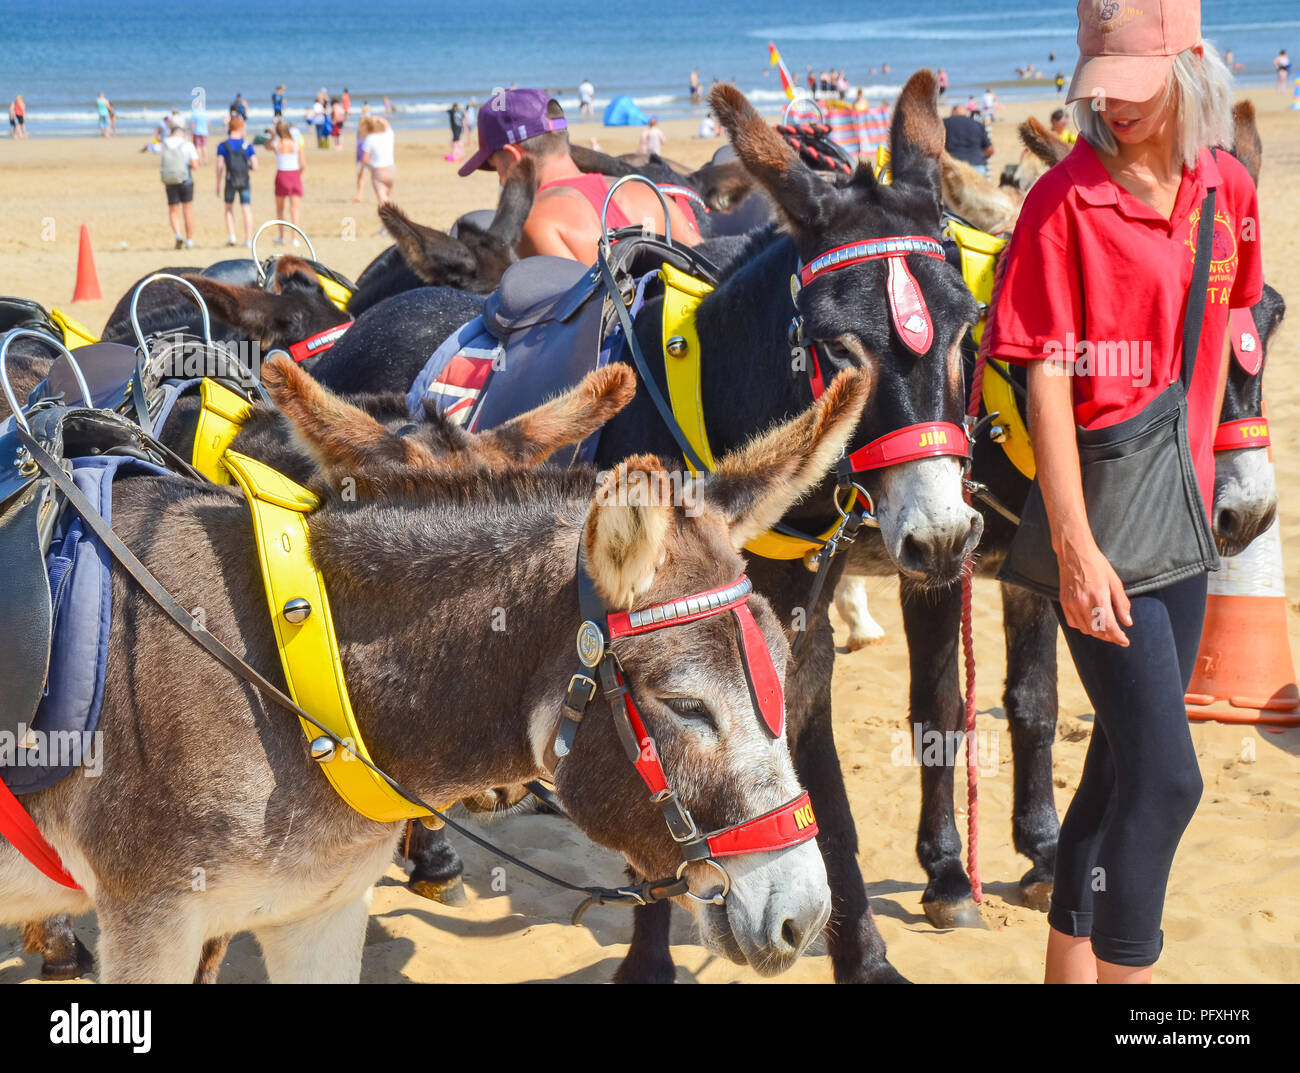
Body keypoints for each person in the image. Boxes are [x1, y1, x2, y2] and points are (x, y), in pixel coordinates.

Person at [983, 0, 1261, 985]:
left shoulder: (1225, 185)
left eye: (1134, 91)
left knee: (1111, 771)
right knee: (1166, 776)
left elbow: (1234, 319)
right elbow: (1043, 371)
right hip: (1099, 524)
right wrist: (1071, 542)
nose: (1115, 110)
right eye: (1100, 89)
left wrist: (1230, 452)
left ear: (1188, 67)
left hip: (1182, 519)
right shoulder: (1062, 198)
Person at [457, 88, 699, 263]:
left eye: (495, 166)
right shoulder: (648, 193)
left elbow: (576, 320)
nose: (500, 179)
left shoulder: (536, 223)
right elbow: (708, 263)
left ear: (513, 155)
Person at [215, 114, 257, 246]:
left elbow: (220, 166)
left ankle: (232, 236)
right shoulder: (247, 145)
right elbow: (255, 166)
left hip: (230, 180)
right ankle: (248, 239)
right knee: (246, 209)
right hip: (244, 180)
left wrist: (217, 183)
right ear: (240, 128)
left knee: (228, 208)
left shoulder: (223, 145)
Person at [159, 117, 198, 249]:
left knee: (173, 209)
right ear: (182, 131)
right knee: (187, 210)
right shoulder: (187, 144)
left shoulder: (165, 143)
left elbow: (155, 148)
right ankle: (190, 240)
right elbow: (195, 164)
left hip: (170, 179)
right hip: (186, 179)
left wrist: (156, 137)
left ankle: (178, 235)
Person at [267, 119, 305, 243]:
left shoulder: (277, 144)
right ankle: (294, 238)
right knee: (295, 209)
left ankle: (282, 236)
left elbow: (266, 146)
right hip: (294, 174)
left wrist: (272, 136)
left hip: (282, 174)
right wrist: (298, 175)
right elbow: (303, 164)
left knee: (280, 209)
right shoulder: (295, 144)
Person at [943, 104, 993, 174]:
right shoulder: (977, 124)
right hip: (976, 165)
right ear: (966, 112)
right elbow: (990, 149)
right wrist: (984, 157)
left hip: (952, 166)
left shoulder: (944, 123)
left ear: (953, 111)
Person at [360, 114, 396, 205]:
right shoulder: (389, 134)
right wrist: (378, 118)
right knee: (386, 198)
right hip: (391, 170)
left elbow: (365, 159)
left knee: (383, 202)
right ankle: (390, 217)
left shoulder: (370, 139)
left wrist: (364, 171)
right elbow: (387, 124)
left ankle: (392, 218)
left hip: (379, 171)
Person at [189, 99, 210, 164]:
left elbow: (192, 124)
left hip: (197, 131)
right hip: (204, 132)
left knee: (198, 146)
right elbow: (208, 123)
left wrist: (192, 132)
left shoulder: (195, 113)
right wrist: (206, 129)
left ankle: (200, 160)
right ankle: (205, 160)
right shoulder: (205, 112)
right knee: (204, 146)